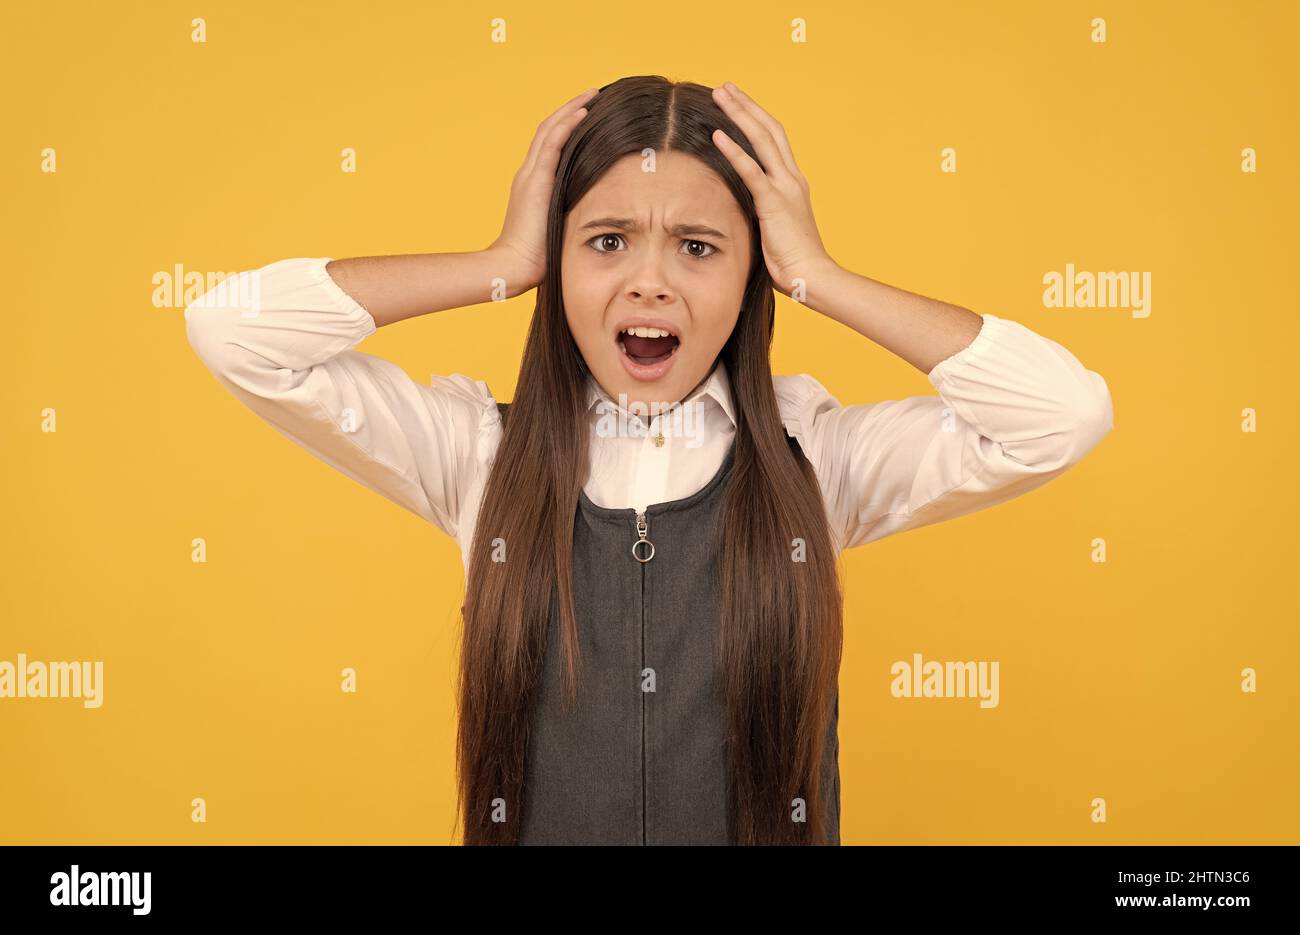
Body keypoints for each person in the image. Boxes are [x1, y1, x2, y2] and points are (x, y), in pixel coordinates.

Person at [184, 76, 1114, 845]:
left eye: (700, 247)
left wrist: (821, 277)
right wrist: (501, 261)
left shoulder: (814, 460)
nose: (651, 280)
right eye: (607, 240)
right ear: (560, 260)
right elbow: (233, 332)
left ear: (755, 274)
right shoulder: (477, 454)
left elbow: (1060, 415)